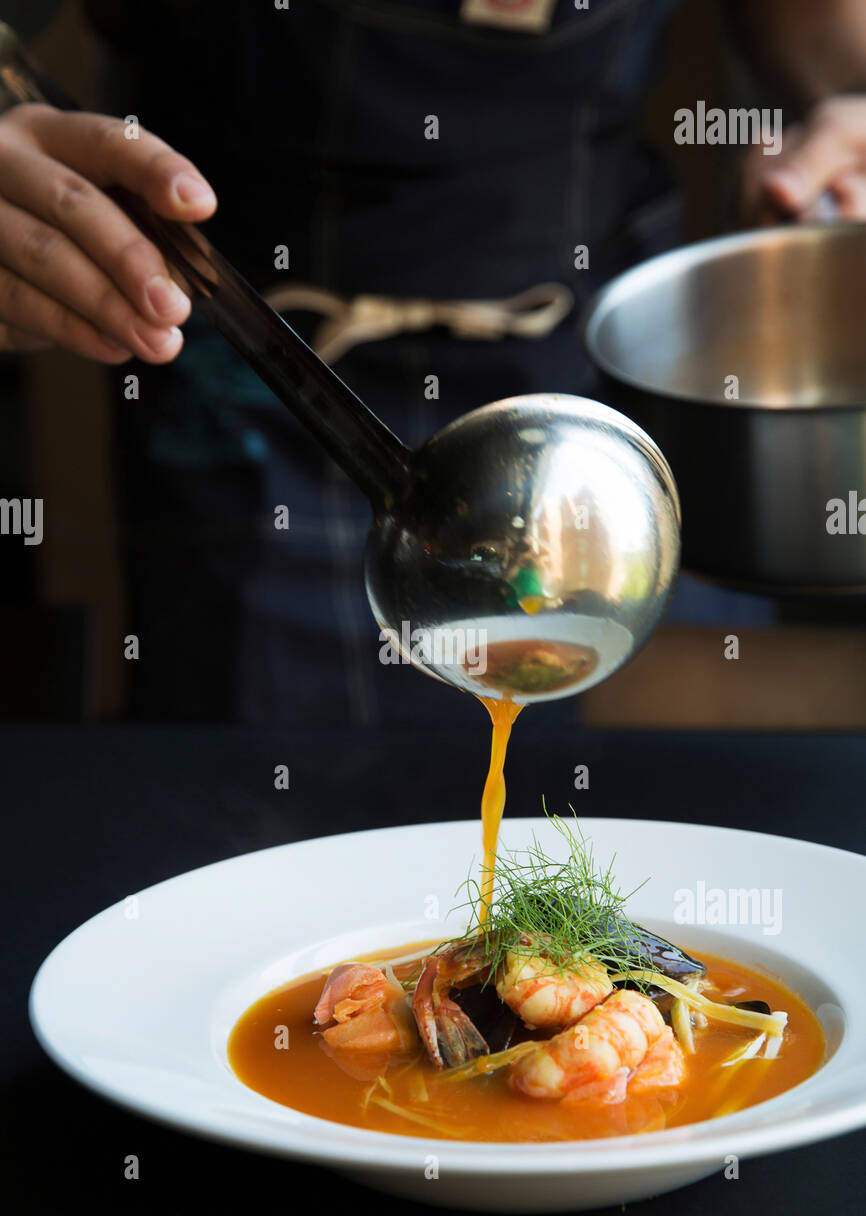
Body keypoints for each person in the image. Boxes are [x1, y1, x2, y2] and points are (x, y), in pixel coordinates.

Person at [1, 0, 865, 724]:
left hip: (611, 386)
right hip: (254, 381)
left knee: (661, 828)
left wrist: (851, 101)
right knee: (265, 826)